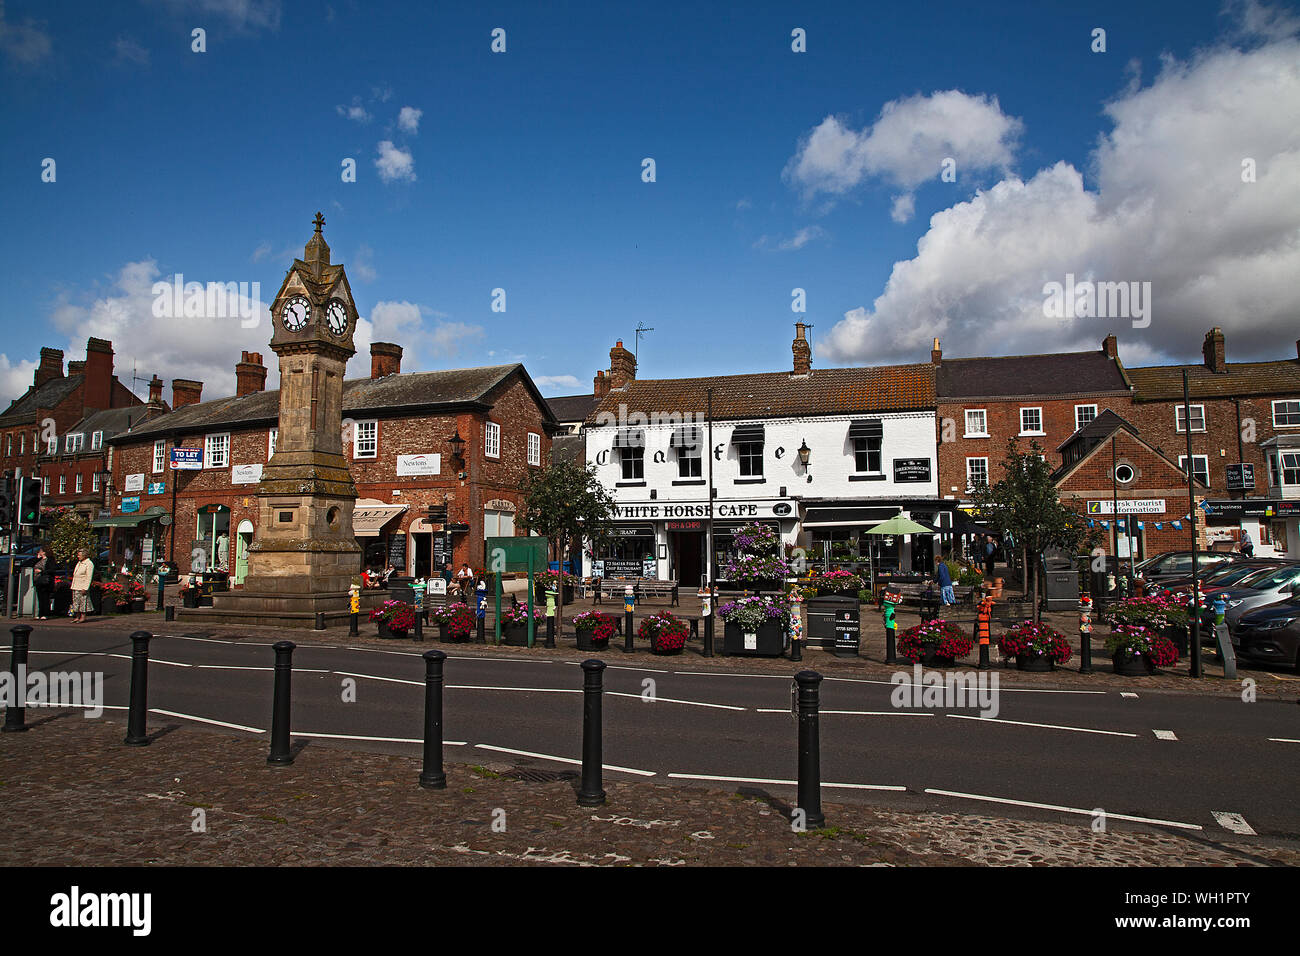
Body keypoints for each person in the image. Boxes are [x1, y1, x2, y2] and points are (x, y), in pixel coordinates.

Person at [71, 549, 95, 624]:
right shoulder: (79, 563)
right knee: (76, 602)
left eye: (79, 555)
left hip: (82, 586)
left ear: (84, 555)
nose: (78, 556)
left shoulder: (89, 564)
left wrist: (85, 587)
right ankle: (77, 616)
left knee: (83, 602)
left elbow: (89, 577)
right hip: (76, 585)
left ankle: (83, 617)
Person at [33, 547, 53, 620]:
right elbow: (29, 563)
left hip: (45, 581)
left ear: (44, 552)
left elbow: (51, 570)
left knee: (45, 597)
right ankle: (40, 613)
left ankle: (45, 613)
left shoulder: (49, 560)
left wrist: (41, 571)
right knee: (40, 598)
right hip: (38, 581)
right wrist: (37, 558)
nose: (39, 552)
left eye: (40, 551)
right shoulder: (39, 560)